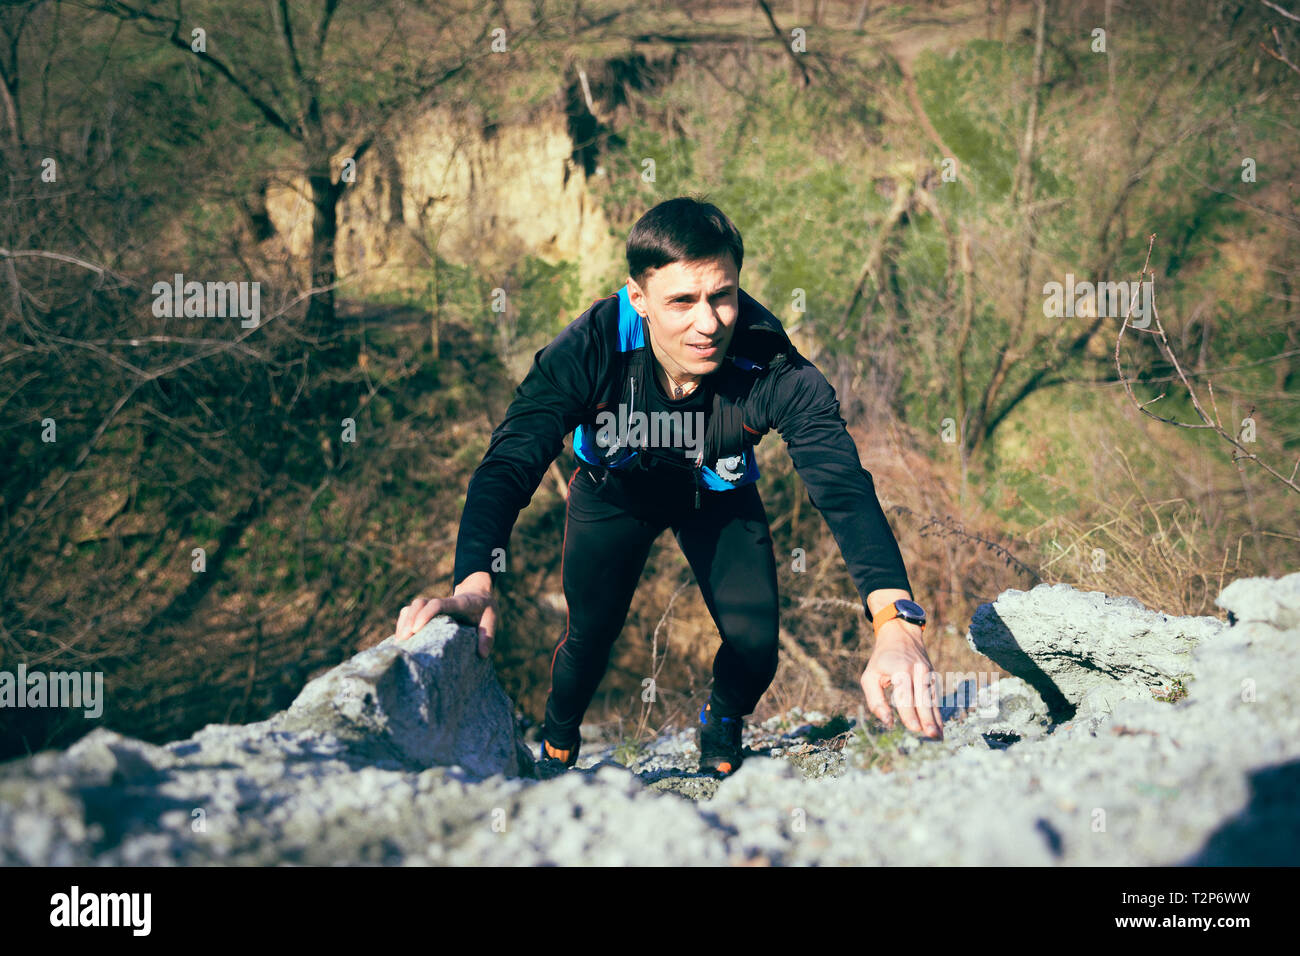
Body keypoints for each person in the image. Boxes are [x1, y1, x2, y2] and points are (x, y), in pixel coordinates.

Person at [394, 196, 943, 778]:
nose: (707, 324)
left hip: (715, 496)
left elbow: (842, 485)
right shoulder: (591, 348)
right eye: (681, 301)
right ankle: (558, 735)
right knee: (589, 639)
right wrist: (475, 579)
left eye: (722, 296)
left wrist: (894, 619)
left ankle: (722, 719)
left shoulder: (771, 365)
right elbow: (510, 461)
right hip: (613, 495)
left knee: (757, 649)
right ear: (639, 299)